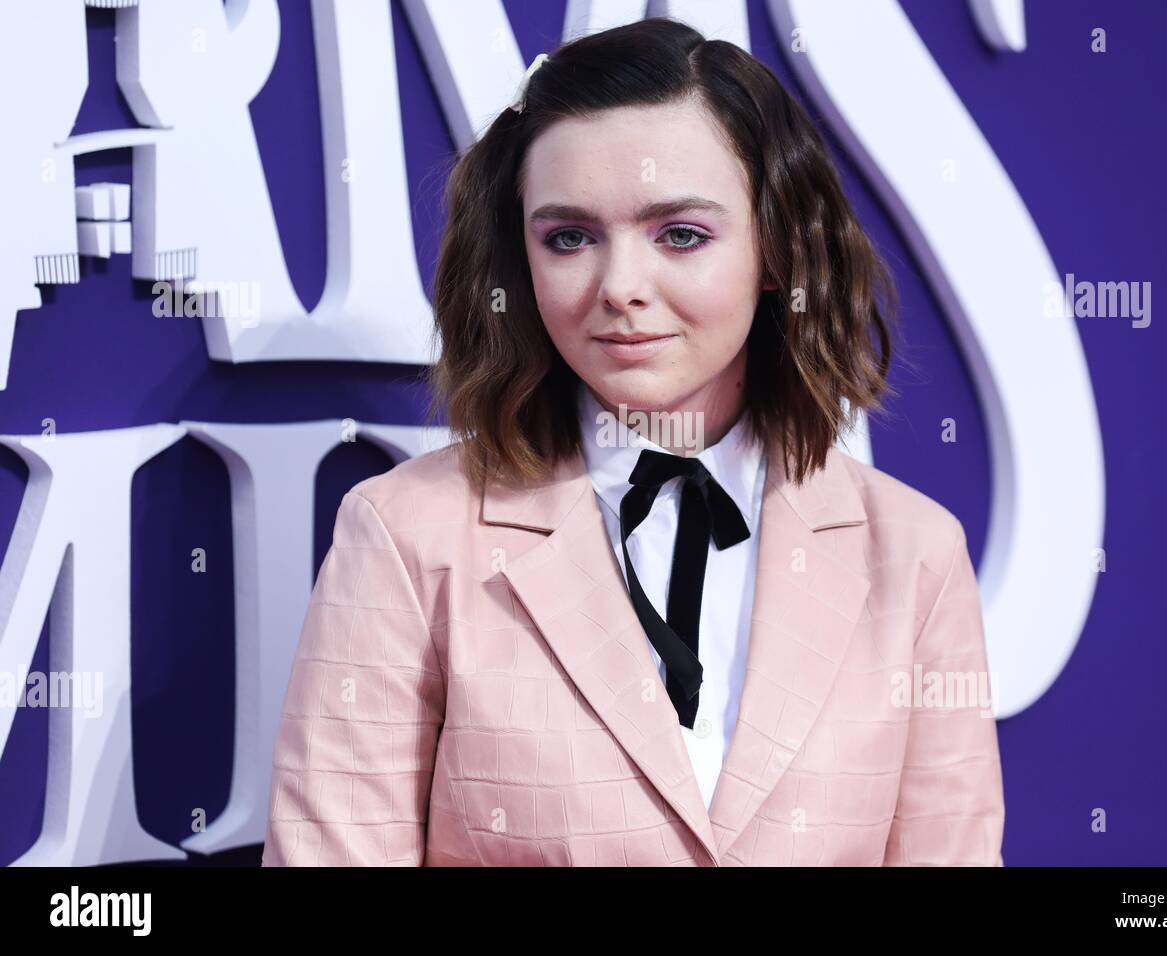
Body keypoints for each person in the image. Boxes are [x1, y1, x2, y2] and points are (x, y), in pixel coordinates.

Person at [262, 16, 1004, 867]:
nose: (619, 288)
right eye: (569, 238)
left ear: (775, 247)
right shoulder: (405, 534)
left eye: (680, 235)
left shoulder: (914, 556)